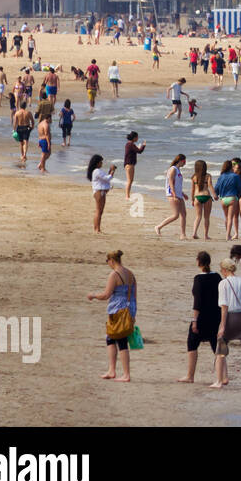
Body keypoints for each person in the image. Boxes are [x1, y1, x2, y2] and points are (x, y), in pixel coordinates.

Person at [86, 250, 136, 382]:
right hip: (129, 309)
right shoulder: (130, 273)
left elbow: (106, 295)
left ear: (112, 260)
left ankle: (126, 374)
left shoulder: (114, 275)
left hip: (117, 310)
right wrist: (132, 313)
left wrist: (94, 295)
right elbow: (134, 295)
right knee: (111, 338)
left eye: (107, 261)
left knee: (121, 341)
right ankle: (111, 370)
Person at [212, 258, 241, 391]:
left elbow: (224, 306)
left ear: (225, 270)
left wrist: (222, 325)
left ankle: (219, 381)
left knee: (221, 350)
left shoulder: (223, 283)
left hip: (231, 318)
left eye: (221, 270)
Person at [178, 252, 222, 383]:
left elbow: (197, 302)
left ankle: (190, 376)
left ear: (198, 262)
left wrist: (194, 321)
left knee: (192, 343)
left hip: (202, 317)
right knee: (217, 347)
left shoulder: (198, 279)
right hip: (216, 317)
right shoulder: (217, 277)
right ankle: (223, 376)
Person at [155, 154, 190, 239]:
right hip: (172, 194)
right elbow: (170, 182)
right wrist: (174, 194)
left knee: (184, 214)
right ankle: (159, 227)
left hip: (178, 194)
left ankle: (183, 234)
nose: (185, 163)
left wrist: (182, 193)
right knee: (175, 215)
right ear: (180, 160)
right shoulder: (173, 169)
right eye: (184, 161)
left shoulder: (178, 170)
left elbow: (177, 184)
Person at [88, 154, 118, 233]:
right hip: (99, 192)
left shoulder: (97, 171)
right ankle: (97, 229)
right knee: (99, 210)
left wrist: (110, 171)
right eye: (101, 162)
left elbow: (105, 179)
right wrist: (113, 171)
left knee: (100, 211)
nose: (102, 163)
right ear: (97, 163)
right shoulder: (97, 171)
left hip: (100, 191)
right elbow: (108, 178)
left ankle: (97, 228)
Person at [214, 160, 241, 239]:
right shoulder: (235, 176)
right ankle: (228, 235)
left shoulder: (221, 176)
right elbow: (240, 188)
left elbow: (216, 188)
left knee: (226, 218)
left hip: (223, 199)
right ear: (231, 167)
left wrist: (216, 195)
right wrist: (239, 195)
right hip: (232, 198)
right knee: (230, 218)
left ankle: (228, 234)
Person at [189, 159, 217, 239]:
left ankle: (194, 233)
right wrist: (214, 194)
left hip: (197, 197)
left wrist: (192, 199)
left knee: (198, 217)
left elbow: (192, 190)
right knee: (206, 217)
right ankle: (206, 235)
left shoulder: (194, 177)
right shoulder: (208, 176)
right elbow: (210, 186)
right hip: (206, 196)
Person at [123, 131, 146, 199]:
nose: (137, 138)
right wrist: (143, 145)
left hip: (128, 164)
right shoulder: (131, 144)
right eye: (137, 137)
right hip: (129, 165)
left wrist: (139, 147)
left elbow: (136, 150)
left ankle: (127, 195)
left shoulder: (129, 144)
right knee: (130, 181)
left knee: (130, 181)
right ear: (134, 138)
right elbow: (139, 151)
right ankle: (127, 196)